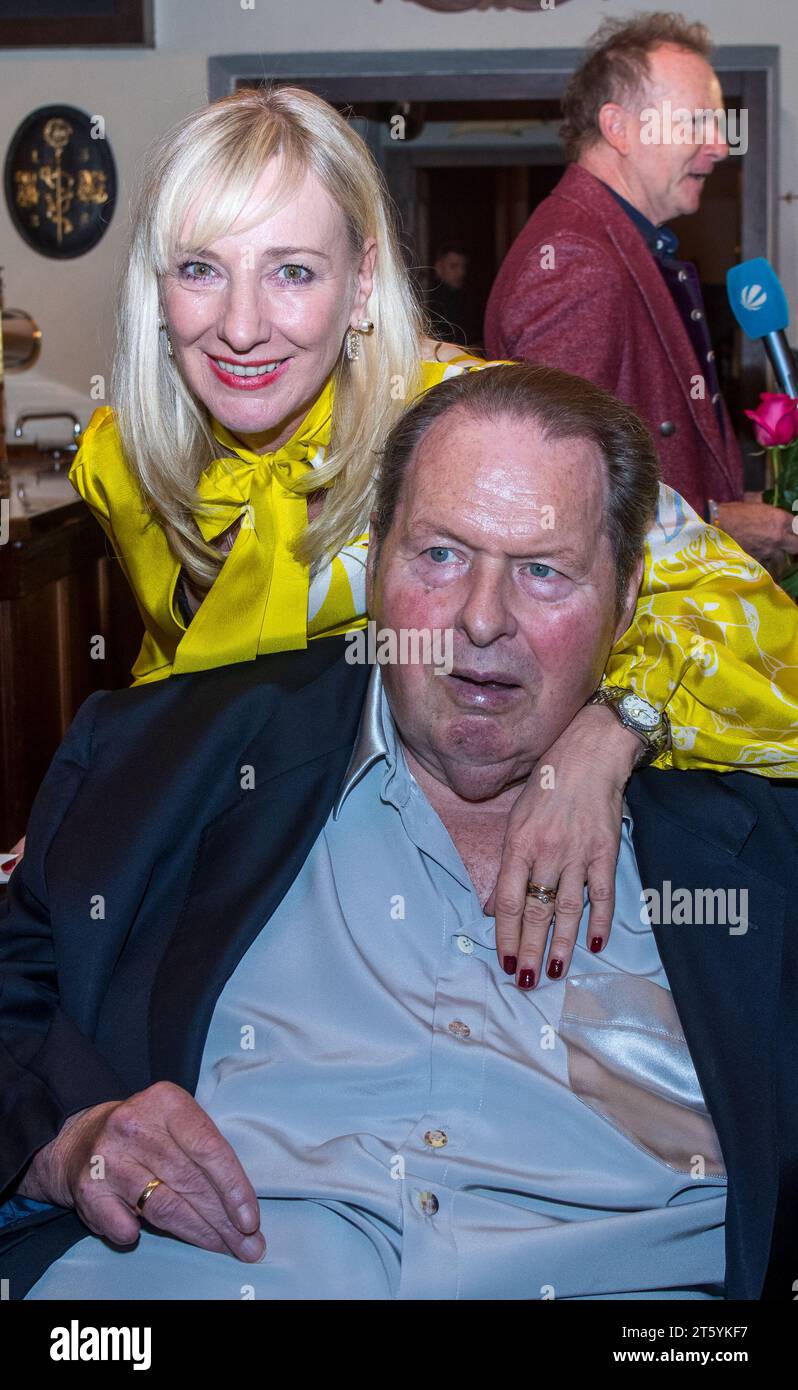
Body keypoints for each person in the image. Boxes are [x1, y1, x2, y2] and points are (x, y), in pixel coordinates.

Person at [1, 365, 795, 1301]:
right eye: (441, 555)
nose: (482, 619)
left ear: (625, 608)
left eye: (543, 571)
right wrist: (69, 1142)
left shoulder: (747, 845)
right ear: (374, 561)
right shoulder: (158, 763)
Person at [48, 82, 798, 989]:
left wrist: (611, 733)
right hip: (238, 870)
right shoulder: (128, 459)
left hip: (438, 876)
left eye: (292, 271)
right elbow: (172, 681)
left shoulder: (461, 431)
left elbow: (752, 620)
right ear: (156, 288)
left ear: (362, 283)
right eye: (201, 268)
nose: (241, 327)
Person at [484, 12, 798, 571]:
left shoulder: (616, 241)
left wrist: (727, 508)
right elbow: (554, 491)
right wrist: (717, 523)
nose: (721, 146)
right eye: (698, 122)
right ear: (619, 127)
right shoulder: (576, 258)